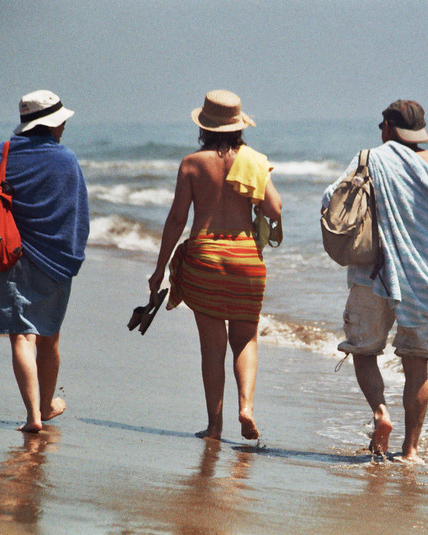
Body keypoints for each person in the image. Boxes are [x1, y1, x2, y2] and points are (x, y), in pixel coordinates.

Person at [322, 99, 428, 463]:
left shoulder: (369, 159)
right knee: (416, 363)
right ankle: (411, 450)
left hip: (374, 273)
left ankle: (380, 413)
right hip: (424, 277)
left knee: (364, 351)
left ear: (387, 125)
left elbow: (330, 199)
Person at [149, 90, 282, 441]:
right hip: (245, 259)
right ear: (239, 125)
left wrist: (160, 268)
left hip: (205, 257)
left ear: (204, 126)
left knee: (212, 346)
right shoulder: (253, 160)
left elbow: (177, 218)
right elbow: (275, 209)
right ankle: (246, 408)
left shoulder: (192, 163)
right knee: (246, 339)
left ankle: (215, 426)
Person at [0, 90, 89, 433]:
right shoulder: (66, 159)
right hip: (56, 259)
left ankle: (34, 416)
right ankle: (47, 406)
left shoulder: (3, 152)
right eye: (61, 120)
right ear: (53, 124)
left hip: (8, 254)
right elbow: (77, 212)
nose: (64, 125)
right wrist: (73, 255)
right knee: (49, 336)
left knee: (22, 337)